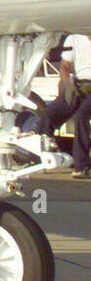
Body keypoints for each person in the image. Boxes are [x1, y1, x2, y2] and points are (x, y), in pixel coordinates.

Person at [35, 33, 91, 178]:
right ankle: (39, 156)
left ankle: (82, 166)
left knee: (81, 116)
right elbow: (64, 67)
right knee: (49, 114)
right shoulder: (73, 38)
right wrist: (67, 84)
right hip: (78, 85)